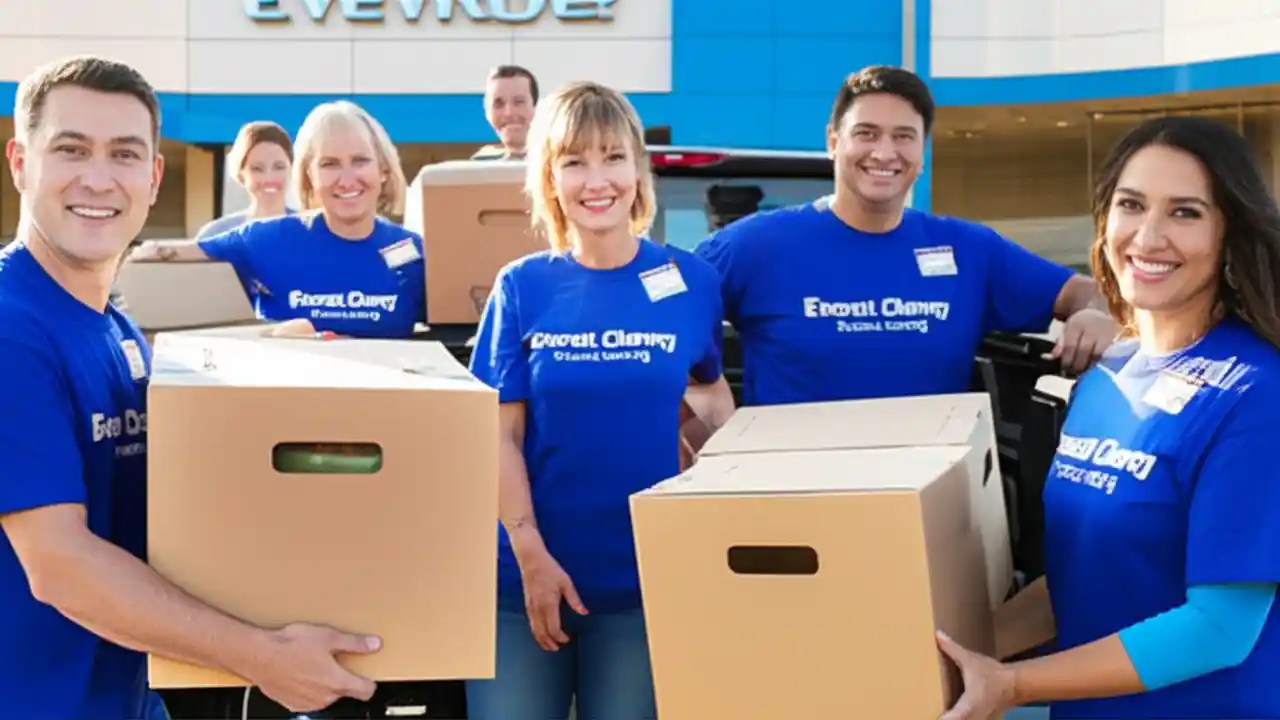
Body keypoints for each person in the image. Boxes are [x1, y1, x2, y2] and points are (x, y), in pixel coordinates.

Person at [0, 54, 382, 720]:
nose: (98, 178)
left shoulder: (109, 325)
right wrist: (262, 656)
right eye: (71, 150)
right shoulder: (12, 328)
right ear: (20, 162)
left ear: (152, 178)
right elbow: (59, 565)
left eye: (124, 154)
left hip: (125, 695)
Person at [936, 116, 1280, 719]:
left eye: (1185, 212)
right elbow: (1080, 577)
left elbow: (1221, 627)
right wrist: (959, 648)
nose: (1148, 237)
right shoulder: (1107, 377)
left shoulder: (1256, 395)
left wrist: (1015, 685)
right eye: (1132, 204)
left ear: (1231, 233)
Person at [464, 80, 735, 720]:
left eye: (613, 157)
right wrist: (531, 555)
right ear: (549, 180)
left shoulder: (691, 283)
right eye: (574, 161)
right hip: (521, 584)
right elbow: (494, 435)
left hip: (641, 586)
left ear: (639, 170)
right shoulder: (524, 287)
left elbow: (710, 395)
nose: (597, 179)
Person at [693, 65, 1117, 407]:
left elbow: (1082, 292)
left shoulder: (968, 251)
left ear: (921, 153)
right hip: (795, 496)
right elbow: (660, 300)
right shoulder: (756, 245)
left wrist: (1095, 315)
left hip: (923, 497)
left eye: (903, 137)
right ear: (833, 142)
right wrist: (703, 409)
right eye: (866, 133)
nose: (884, 153)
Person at [127, 100, 425, 340]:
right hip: (284, 408)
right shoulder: (269, 239)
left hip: (382, 411)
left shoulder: (413, 253)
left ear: (383, 170)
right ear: (310, 175)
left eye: (360, 161)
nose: (347, 180)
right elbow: (166, 255)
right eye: (329, 164)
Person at [194, 120, 296, 239]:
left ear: (291, 169)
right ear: (241, 175)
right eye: (257, 169)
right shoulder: (215, 235)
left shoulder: (312, 231)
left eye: (279, 167)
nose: (269, 178)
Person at [472, 64, 538, 161]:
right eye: (499, 104)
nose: (509, 113)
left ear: (536, 107)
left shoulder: (559, 164)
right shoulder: (479, 166)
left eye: (519, 102)